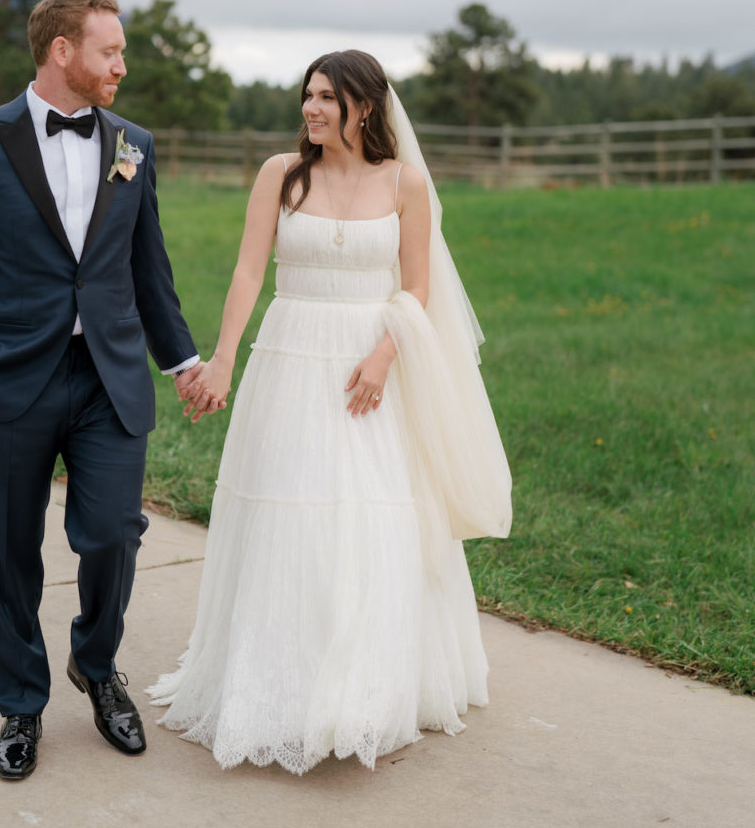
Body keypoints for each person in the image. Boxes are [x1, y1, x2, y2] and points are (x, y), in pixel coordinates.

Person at [149, 49, 512, 774]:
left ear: (365, 108)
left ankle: (361, 692)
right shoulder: (280, 174)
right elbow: (250, 269)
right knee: (287, 511)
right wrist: (222, 358)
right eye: (308, 96)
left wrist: (383, 356)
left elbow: (417, 286)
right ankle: (278, 684)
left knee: (368, 516)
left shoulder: (407, 184)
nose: (312, 109)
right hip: (289, 357)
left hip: (367, 367)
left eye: (327, 98)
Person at [0, 0, 210, 781]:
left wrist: (183, 362)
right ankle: (21, 702)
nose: (123, 64)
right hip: (8, 382)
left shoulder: (134, 145)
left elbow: (149, 272)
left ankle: (97, 661)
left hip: (108, 377)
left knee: (114, 531)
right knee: (9, 551)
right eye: (110, 50)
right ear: (62, 52)